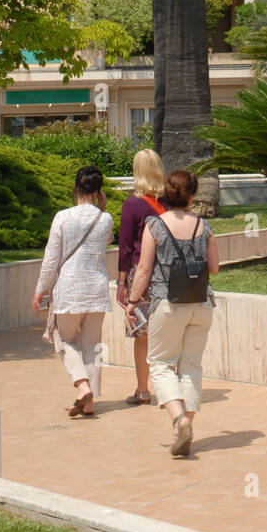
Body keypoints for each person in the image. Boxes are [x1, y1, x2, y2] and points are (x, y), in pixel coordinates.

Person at [125, 170, 220, 457]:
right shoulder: (205, 227)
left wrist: (132, 301)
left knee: (161, 363)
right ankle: (187, 425)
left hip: (168, 304)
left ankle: (178, 419)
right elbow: (214, 267)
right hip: (201, 304)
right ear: (192, 196)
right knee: (191, 364)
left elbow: (143, 269)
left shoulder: (154, 225)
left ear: (168, 192)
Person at [33, 165, 114, 418]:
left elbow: (51, 259)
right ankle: (90, 401)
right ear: (99, 191)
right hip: (97, 289)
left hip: (69, 289)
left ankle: (83, 387)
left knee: (62, 338)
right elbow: (106, 240)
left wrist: (40, 289)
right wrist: (101, 209)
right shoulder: (106, 218)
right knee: (93, 344)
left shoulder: (62, 217)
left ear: (76, 187)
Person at [117, 148, 167, 406]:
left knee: (140, 335)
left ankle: (143, 390)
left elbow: (125, 247)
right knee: (167, 334)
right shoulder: (167, 203)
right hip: (167, 276)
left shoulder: (132, 204)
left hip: (140, 276)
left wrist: (121, 283)